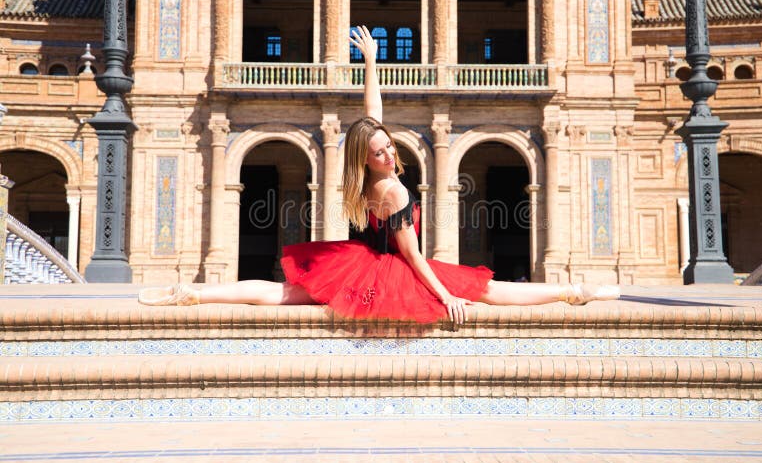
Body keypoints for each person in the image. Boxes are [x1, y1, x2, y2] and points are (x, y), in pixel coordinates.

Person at [138, 26, 620, 324]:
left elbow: (372, 112)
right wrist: (445, 296)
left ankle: (191, 295)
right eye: (382, 151)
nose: (390, 152)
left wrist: (369, 61)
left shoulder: (365, 171)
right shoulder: (391, 189)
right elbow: (413, 256)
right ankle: (575, 292)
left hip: (359, 260)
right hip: (392, 270)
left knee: (282, 295)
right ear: (369, 161)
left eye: (389, 146)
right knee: (485, 290)